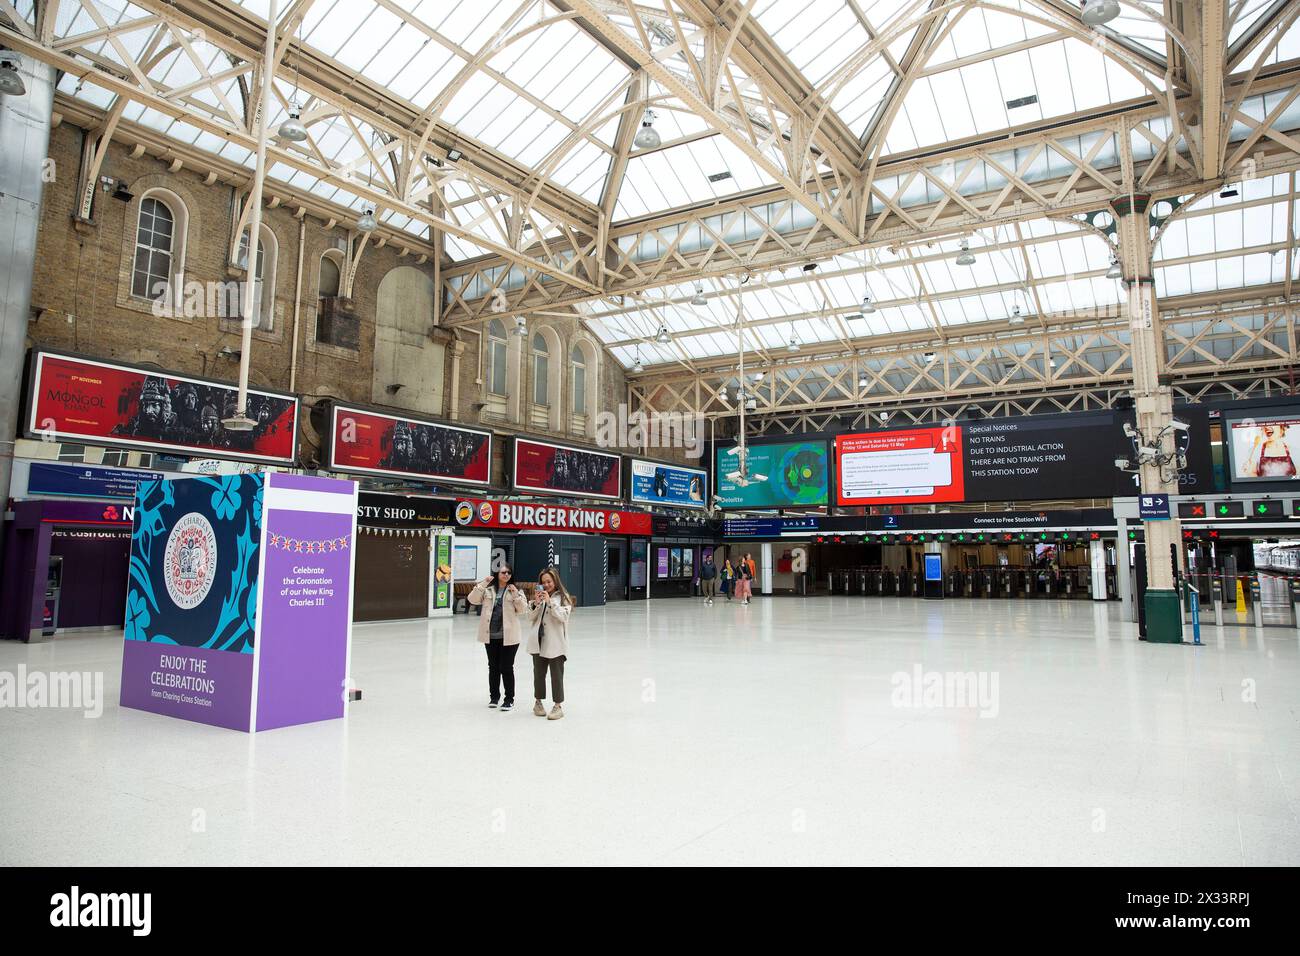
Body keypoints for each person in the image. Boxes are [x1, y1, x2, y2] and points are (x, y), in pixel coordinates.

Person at [467, 565, 528, 711]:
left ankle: (509, 699)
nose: (506, 574)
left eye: (509, 572)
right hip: (491, 636)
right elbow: (472, 599)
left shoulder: (516, 590)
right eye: (503, 572)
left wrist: (515, 595)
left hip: (510, 636)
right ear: (497, 573)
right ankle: (494, 697)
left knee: (506, 667)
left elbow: (522, 609)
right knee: (493, 667)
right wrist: (482, 583)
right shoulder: (488, 589)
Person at [527, 566, 574, 720]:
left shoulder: (563, 597)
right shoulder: (539, 598)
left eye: (549, 581)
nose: (546, 585)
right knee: (538, 674)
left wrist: (550, 603)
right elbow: (530, 617)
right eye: (543, 582)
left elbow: (563, 617)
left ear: (555, 581)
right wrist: (537, 603)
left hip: (556, 643)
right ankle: (538, 703)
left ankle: (557, 706)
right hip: (538, 641)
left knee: (556, 675)